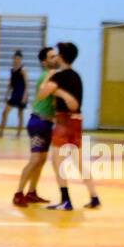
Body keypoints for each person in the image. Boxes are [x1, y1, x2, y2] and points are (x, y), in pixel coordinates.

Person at [40, 41, 99, 210]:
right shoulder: (76, 76)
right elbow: (75, 104)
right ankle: (94, 197)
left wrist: (56, 89)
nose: (55, 56)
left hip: (64, 121)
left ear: (62, 57)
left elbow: (43, 93)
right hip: (77, 121)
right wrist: (62, 94)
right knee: (78, 161)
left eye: (57, 54)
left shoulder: (59, 77)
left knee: (57, 161)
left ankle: (65, 200)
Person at [13, 47, 59, 206]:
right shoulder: (47, 76)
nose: (55, 58)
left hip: (47, 123)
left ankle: (32, 192)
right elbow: (45, 93)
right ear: (44, 62)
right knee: (35, 159)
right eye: (52, 56)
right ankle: (18, 193)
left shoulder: (53, 76)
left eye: (56, 55)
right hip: (38, 122)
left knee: (41, 159)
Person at [0, 50, 28, 138]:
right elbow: (10, 83)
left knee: (20, 114)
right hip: (14, 94)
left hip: (21, 94)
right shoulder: (12, 70)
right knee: (4, 112)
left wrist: (25, 96)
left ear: (21, 59)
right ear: (13, 59)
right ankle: (0, 133)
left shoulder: (23, 69)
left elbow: (27, 84)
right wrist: (7, 94)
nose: (16, 60)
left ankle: (18, 134)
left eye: (18, 59)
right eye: (15, 58)